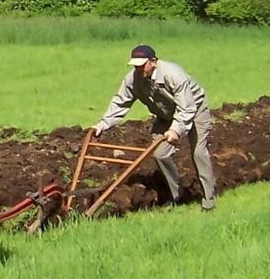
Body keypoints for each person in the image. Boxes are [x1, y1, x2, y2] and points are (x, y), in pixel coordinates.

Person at [93, 44, 216, 212]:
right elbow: (120, 102)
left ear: (153, 62)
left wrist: (176, 130)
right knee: (160, 154)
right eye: (135, 65)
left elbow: (187, 108)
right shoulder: (133, 79)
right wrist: (102, 124)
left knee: (198, 153)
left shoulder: (173, 75)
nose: (138, 69)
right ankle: (177, 196)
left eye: (142, 65)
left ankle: (208, 202)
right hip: (165, 114)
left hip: (195, 110)